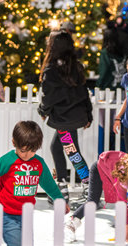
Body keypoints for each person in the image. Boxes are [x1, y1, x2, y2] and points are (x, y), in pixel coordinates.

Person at [0, 121, 67, 246]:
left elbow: (49, 184)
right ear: (14, 143)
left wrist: (59, 200)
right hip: (6, 215)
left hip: (25, 217)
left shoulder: (38, 163)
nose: (27, 155)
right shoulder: (8, 160)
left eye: (32, 151)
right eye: (23, 151)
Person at [38, 31, 93, 195]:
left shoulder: (52, 70)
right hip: (75, 116)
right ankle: (80, 183)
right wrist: (88, 115)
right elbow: (84, 93)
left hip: (63, 118)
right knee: (57, 147)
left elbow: (48, 97)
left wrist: (43, 110)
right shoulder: (76, 67)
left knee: (71, 151)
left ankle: (71, 185)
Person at [64, 151, 128, 243]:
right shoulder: (121, 177)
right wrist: (126, 236)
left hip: (112, 169)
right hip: (98, 170)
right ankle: (71, 224)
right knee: (92, 202)